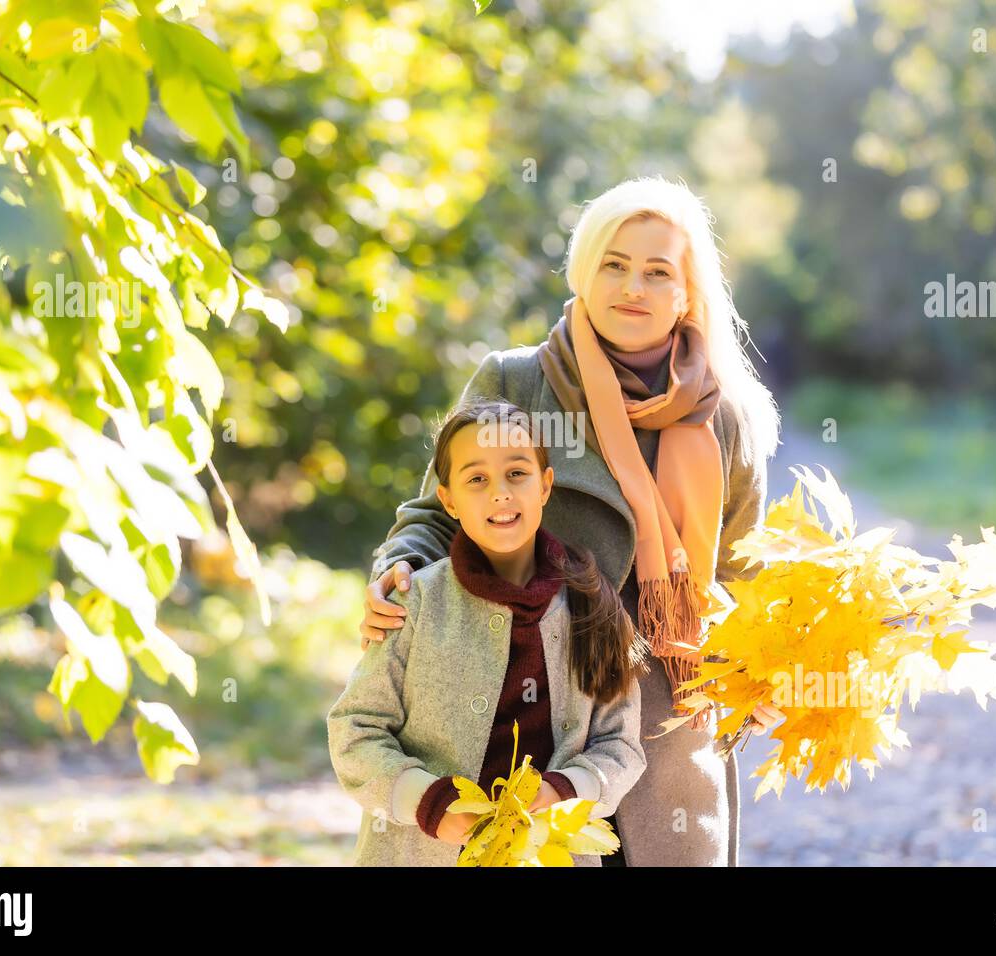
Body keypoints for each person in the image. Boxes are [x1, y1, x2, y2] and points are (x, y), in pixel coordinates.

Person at [360, 175, 785, 866]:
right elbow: (434, 515)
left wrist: (762, 671)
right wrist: (397, 569)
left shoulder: (725, 418)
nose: (632, 287)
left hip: (666, 717)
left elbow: (745, 576)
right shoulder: (516, 382)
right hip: (525, 703)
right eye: (614, 265)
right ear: (585, 270)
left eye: (657, 272)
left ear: (687, 292)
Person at [328, 399, 649, 866]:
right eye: (477, 479)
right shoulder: (413, 601)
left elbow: (620, 745)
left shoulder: (593, 609)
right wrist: (429, 802)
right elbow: (355, 730)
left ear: (545, 486)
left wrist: (564, 791)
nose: (500, 493)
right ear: (449, 500)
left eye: (516, 474)